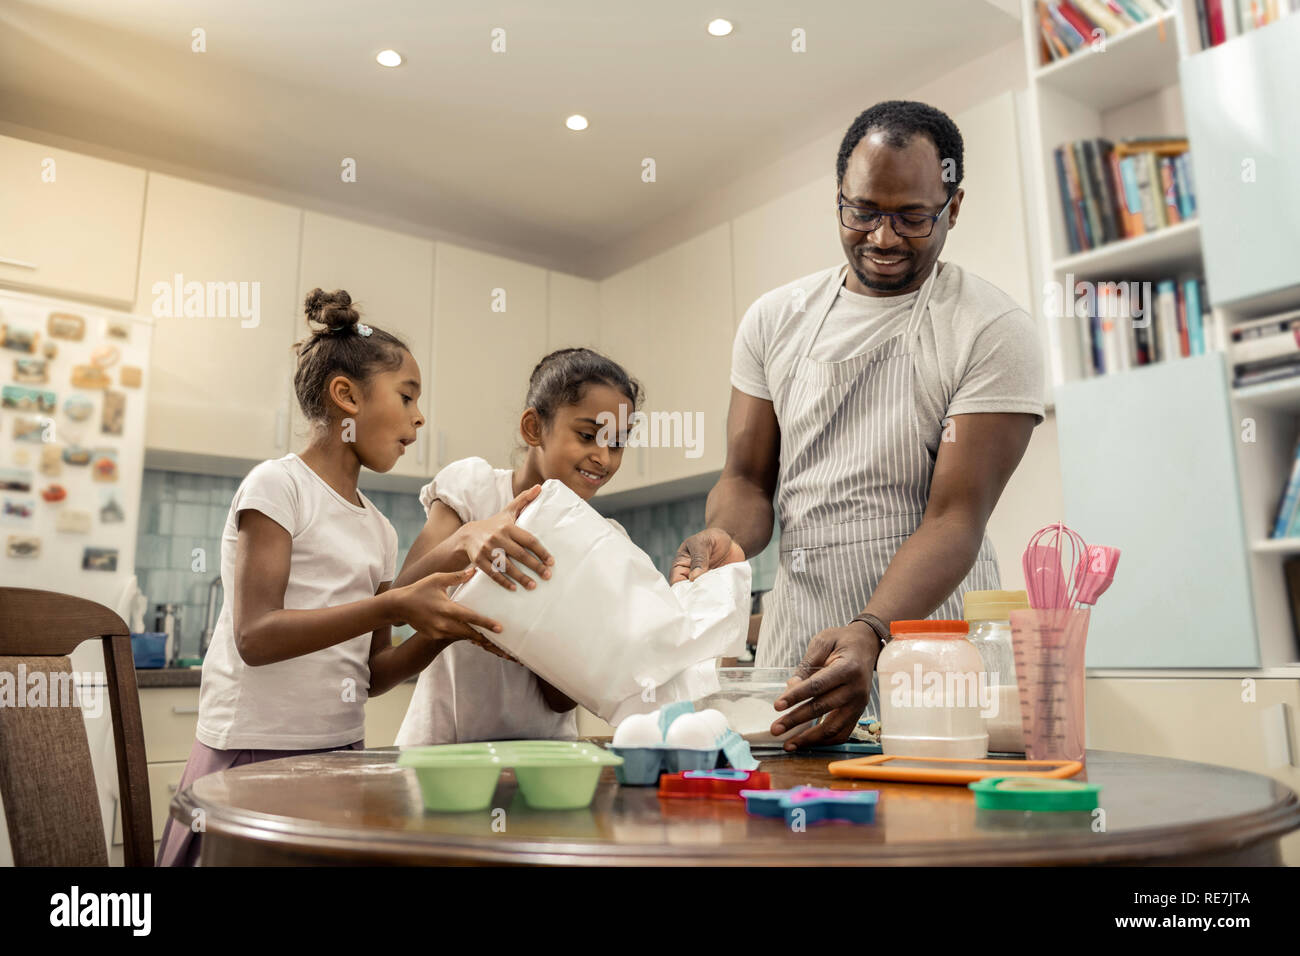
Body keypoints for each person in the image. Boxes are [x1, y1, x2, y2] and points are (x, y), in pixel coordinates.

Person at [670, 100, 1045, 750]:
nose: (883, 237)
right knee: (794, 833)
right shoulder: (773, 321)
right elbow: (748, 479)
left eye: (912, 217)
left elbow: (955, 516)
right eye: (863, 211)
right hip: (800, 648)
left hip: (934, 647)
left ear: (953, 207)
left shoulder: (990, 330)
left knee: (935, 831)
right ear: (839, 200)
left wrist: (873, 633)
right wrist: (725, 538)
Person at [156, 288, 500, 866]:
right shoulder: (278, 486)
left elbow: (371, 674)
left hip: (338, 752)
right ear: (346, 396)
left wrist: (444, 628)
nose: (419, 417)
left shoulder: (380, 529)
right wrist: (394, 606)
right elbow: (256, 637)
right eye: (408, 396)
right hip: (252, 753)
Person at [394, 347, 642, 744]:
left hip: (541, 756)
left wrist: (567, 614)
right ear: (533, 428)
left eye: (617, 443)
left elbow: (560, 701)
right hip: (441, 746)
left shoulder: (603, 541)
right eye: (587, 435)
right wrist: (466, 538)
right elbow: (399, 602)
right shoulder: (474, 490)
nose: (603, 458)